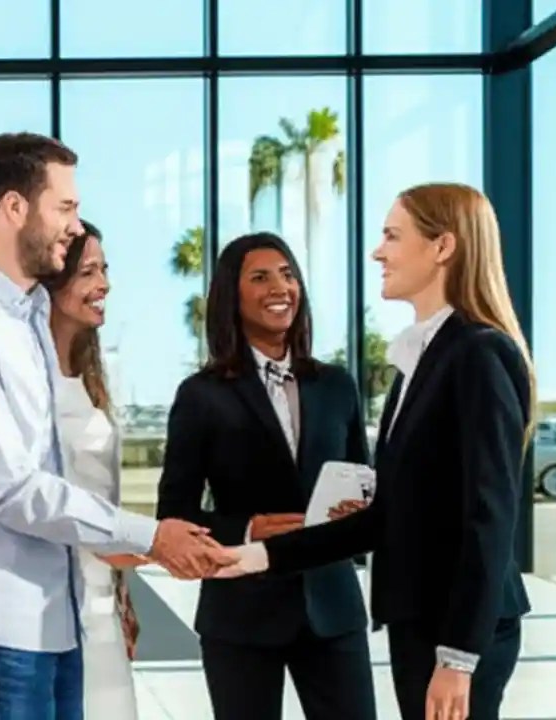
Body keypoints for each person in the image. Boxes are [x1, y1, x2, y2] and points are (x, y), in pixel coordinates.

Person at [0, 132, 225, 720]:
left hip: (53, 616)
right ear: (14, 208)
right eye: (66, 207)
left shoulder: (22, 320)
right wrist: (150, 536)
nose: (75, 226)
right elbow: (9, 488)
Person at [215, 183, 535, 720]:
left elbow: (491, 517)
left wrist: (459, 657)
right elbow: (387, 516)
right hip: (421, 623)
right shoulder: (419, 361)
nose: (378, 251)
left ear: (443, 247)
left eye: (392, 235)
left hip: (453, 632)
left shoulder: (478, 354)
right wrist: (259, 554)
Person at [154, 232, 376, 720]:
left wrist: (358, 513)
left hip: (333, 609)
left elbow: (365, 485)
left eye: (288, 274)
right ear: (231, 295)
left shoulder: (337, 386)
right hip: (240, 614)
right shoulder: (201, 395)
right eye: (260, 277)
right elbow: (174, 515)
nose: (280, 287)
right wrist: (248, 531)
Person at [40, 219, 140, 720]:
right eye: (88, 272)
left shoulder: (91, 377)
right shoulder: (25, 381)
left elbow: (107, 497)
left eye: (105, 270)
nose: (104, 284)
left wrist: (124, 596)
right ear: (53, 281)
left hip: (102, 604)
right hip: (51, 608)